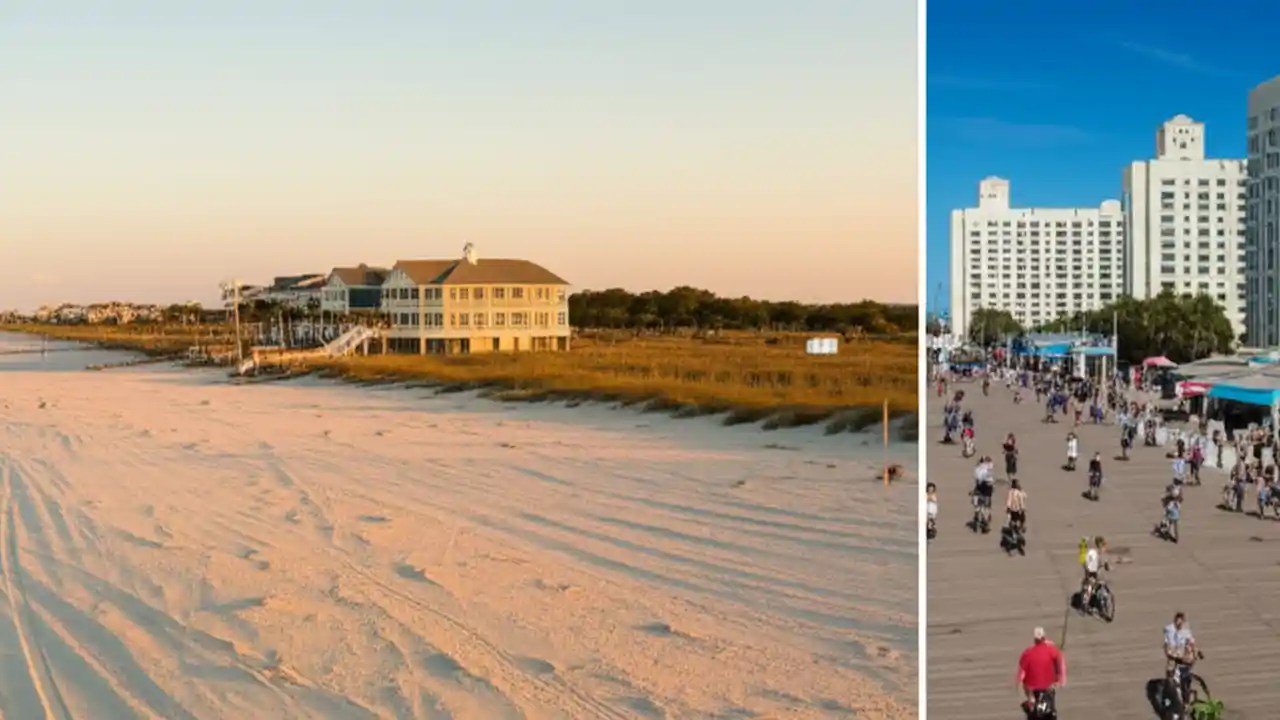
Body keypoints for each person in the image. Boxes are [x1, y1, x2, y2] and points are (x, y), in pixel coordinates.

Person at [1017, 627, 1065, 710]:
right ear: (1044, 637)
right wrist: (1059, 682)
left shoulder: (1027, 653)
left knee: (1026, 685)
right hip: (1048, 687)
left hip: (1032, 688)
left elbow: (1021, 675)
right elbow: (1060, 667)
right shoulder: (1053, 650)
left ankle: (1031, 698)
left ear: (1034, 639)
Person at [1163, 612, 1198, 703]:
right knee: (1170, 673)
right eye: (1177, 622)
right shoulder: (1169, 629)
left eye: (1181, 622)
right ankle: (1170, 692)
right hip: (1173, 650)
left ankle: (1185, 699)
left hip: (1181, 651)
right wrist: (1169, 652)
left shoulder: (1185, 631)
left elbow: (1191, 642)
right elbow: (1167, 644)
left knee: (1184, 678)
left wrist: (1194, 652)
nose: (1179, 624)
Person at [1081, 536, 1108, 610]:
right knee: (1091, 585)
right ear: (1099, 545)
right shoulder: (1093, 553)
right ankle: (1085, 602)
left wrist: (1106, 565)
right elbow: (1088, 564)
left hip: (1097, 572)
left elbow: (1104, 562)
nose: (1105, 548)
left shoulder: (1100, 553)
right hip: (1091, 571)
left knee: (1101, 584)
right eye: (1103, 546)